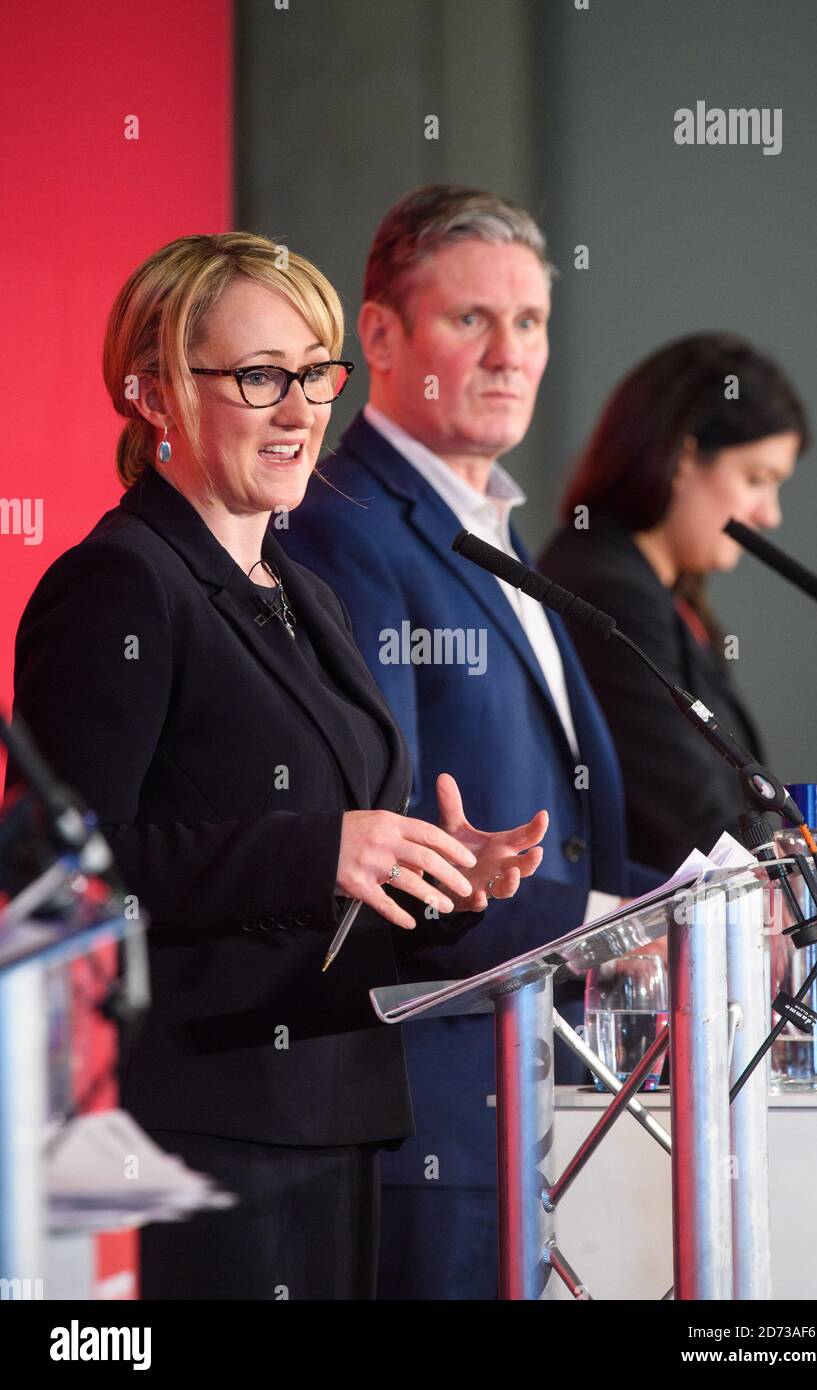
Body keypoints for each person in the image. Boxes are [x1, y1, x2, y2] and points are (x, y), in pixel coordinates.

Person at [5, 232, 548, 1300]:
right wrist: (319, 850)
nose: (302, 409)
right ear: (153, 395)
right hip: (195, 1130)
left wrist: (439, 877)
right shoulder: (121, 586)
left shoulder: (304, 592)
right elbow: (58, 873)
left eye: (313, 372)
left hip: (333, 1110)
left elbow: (329, 871)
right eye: (259, 376)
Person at [279, 186, 659, 1299]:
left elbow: (556, 840)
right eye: (470, 321)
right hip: (427, 1115)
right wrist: (617, 926)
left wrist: (695, 906)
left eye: (530, 322)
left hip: (529, 1098)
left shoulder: (489, 525)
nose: (508, 354)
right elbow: (386, 835)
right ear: (381, 335)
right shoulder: (341, 524)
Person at [539, 332, 809, 874]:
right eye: (757, 478)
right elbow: (692, 822)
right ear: (684, 456)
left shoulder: (663, 594)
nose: (771, 514)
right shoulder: (606, 590)